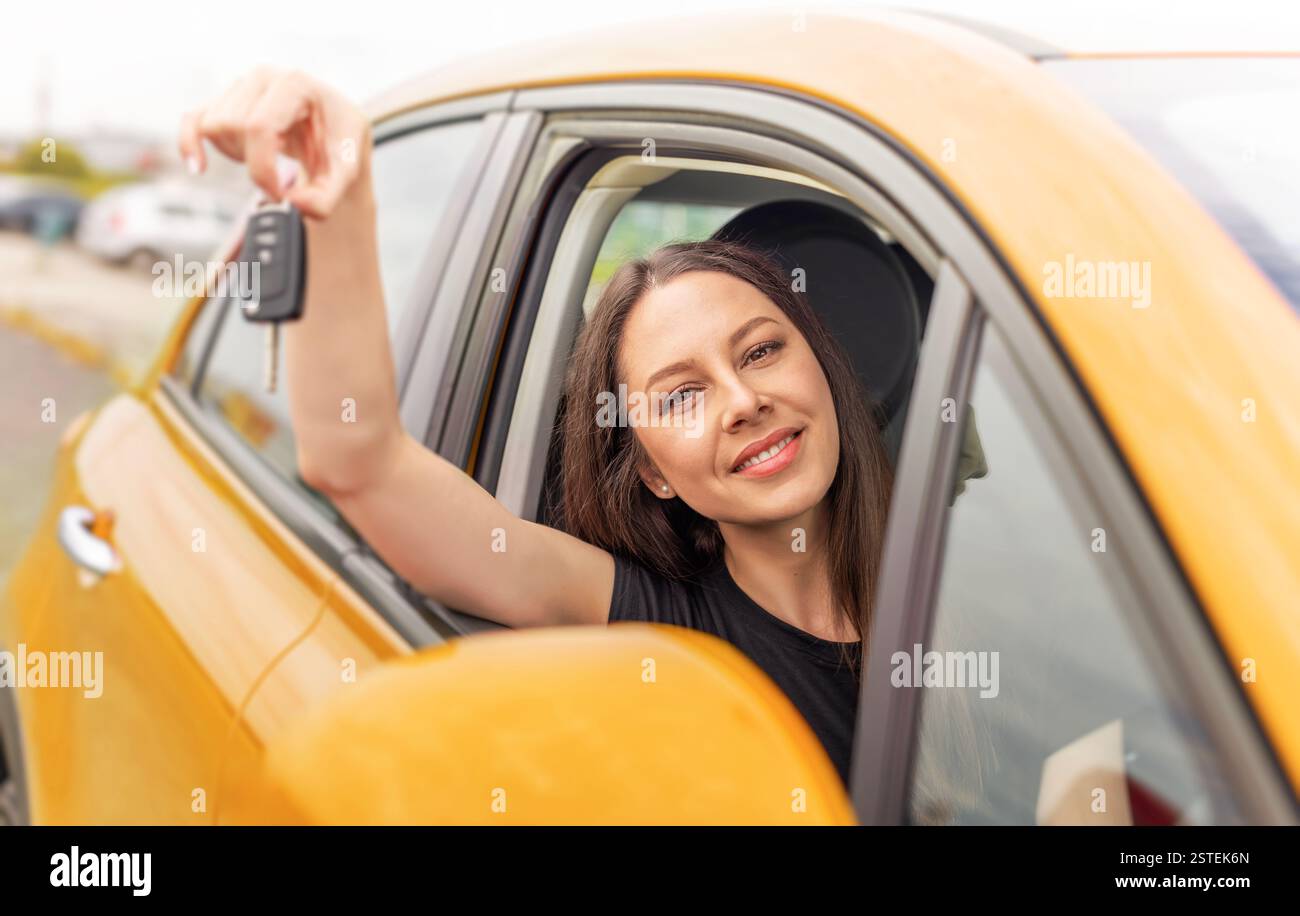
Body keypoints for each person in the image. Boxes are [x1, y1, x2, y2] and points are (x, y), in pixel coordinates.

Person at [178, 68, 893, 788]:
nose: (742, 401)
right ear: (652, 472)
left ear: (823, 367)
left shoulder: (956, 581)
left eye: (762, 351)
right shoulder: (661, 628)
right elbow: (360, 463)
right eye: (681, 396)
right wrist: (339, 174)